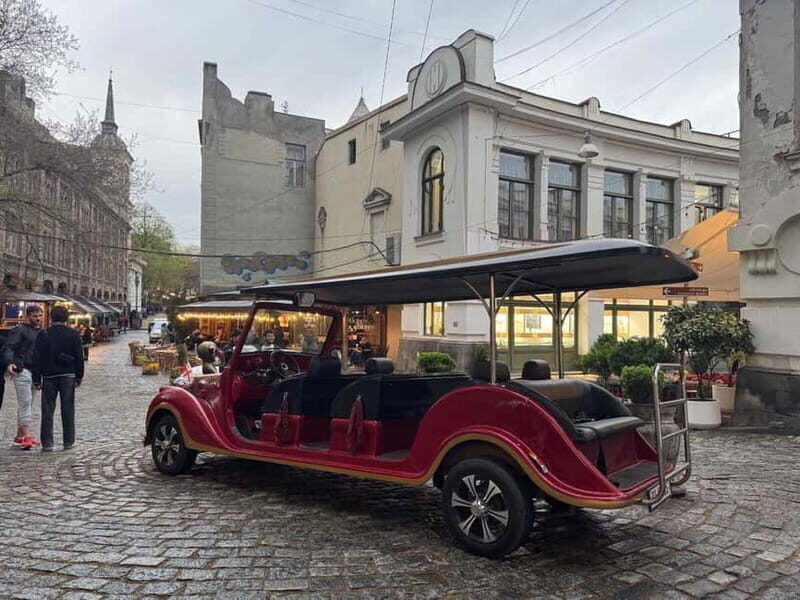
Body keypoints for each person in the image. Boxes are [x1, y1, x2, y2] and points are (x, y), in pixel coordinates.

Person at [32, 305, 84, 452]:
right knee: (68, 408)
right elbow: (79, 357)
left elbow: (37, 358)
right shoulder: (73, 334)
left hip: (49, 375)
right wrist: (79, 376)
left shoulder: (44, 334)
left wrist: (36, 379)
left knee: (47, 410)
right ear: (66, 318)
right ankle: (69, 441)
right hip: (68, 374)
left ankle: (47, 443)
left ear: (51, 317)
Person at [2, 305, 44, 450]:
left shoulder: (42, 332)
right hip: (22, 369)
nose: (37, 318)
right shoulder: (20, 330)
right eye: (34, 316)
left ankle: (19, 436)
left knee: (29, 403)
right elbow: (9, 347)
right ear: (27, 317)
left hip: (36, 372)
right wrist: (10, 363)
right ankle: (26, 435)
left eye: (39, 315)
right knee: (25, 403)